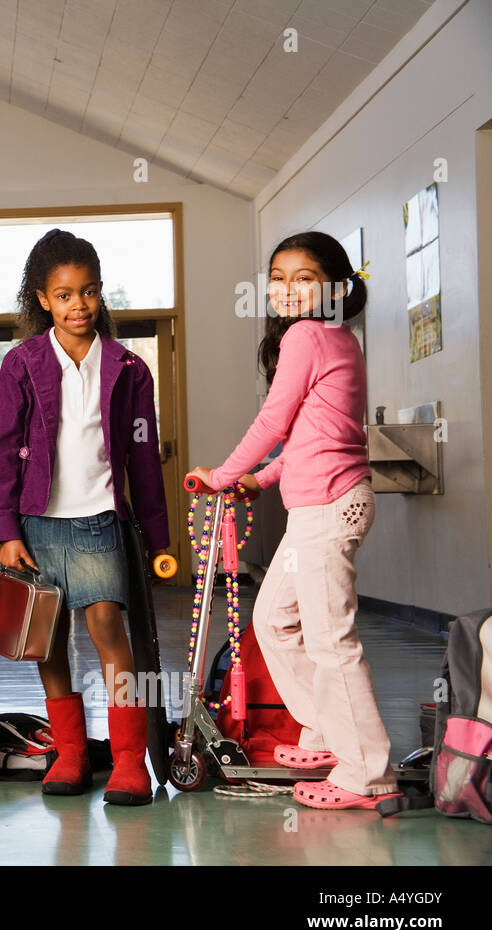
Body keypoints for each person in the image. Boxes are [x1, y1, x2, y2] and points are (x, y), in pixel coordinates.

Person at [187, 231, 398, 810]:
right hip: (320, 503)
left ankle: (366, 772)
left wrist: (227, 474)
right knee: (276, 623)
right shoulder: (338, 337)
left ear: (333, 287)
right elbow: (314, 435)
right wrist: (263, 478)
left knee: (332, 640)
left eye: (303, 278)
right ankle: (328, 730)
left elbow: (275, 420)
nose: (286, 289)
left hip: (328, 508)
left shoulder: (308, 335)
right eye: (278, 278)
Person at [0, 229, 169, 806]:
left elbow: (144, 458)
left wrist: (159, 539)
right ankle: (68, 754)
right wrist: (4, 532)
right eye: (64, 295)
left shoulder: (130, 368)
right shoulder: (20, 364)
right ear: (43, 299)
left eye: (88, 292)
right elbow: (1, 447)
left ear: (100, 293)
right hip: (38, 525)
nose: (79, 305)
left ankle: (128, 763)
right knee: (48, 642)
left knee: (108, 628)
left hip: (101, 524)